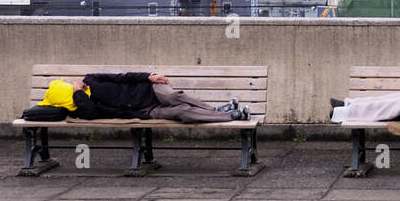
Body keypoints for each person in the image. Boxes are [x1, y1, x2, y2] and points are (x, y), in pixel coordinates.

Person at [38, 72, 250, 122]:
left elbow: (124, 77)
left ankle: (217, 110)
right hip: (145, 111)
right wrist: (78, 95)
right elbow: (92, 113)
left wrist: (149, 76)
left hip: (149, 90)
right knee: (182, 113)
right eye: (70, 91)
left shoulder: (92, 79)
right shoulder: (85, 107)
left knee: (173, 96)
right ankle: (231, 116)